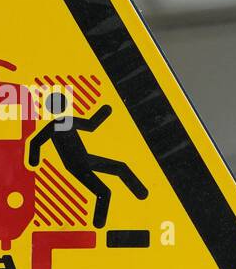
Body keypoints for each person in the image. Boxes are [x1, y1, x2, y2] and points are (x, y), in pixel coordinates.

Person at [27, 92, 147, 229]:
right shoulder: (56, 125)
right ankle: (99, 224)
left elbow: (91, 125)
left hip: (84, 159)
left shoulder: (66, 121)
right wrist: (34, 161)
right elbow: (35, 142)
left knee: (120, 169)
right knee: (104, 191)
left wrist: (106, 110)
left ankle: (142, 194)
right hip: (76, 165)